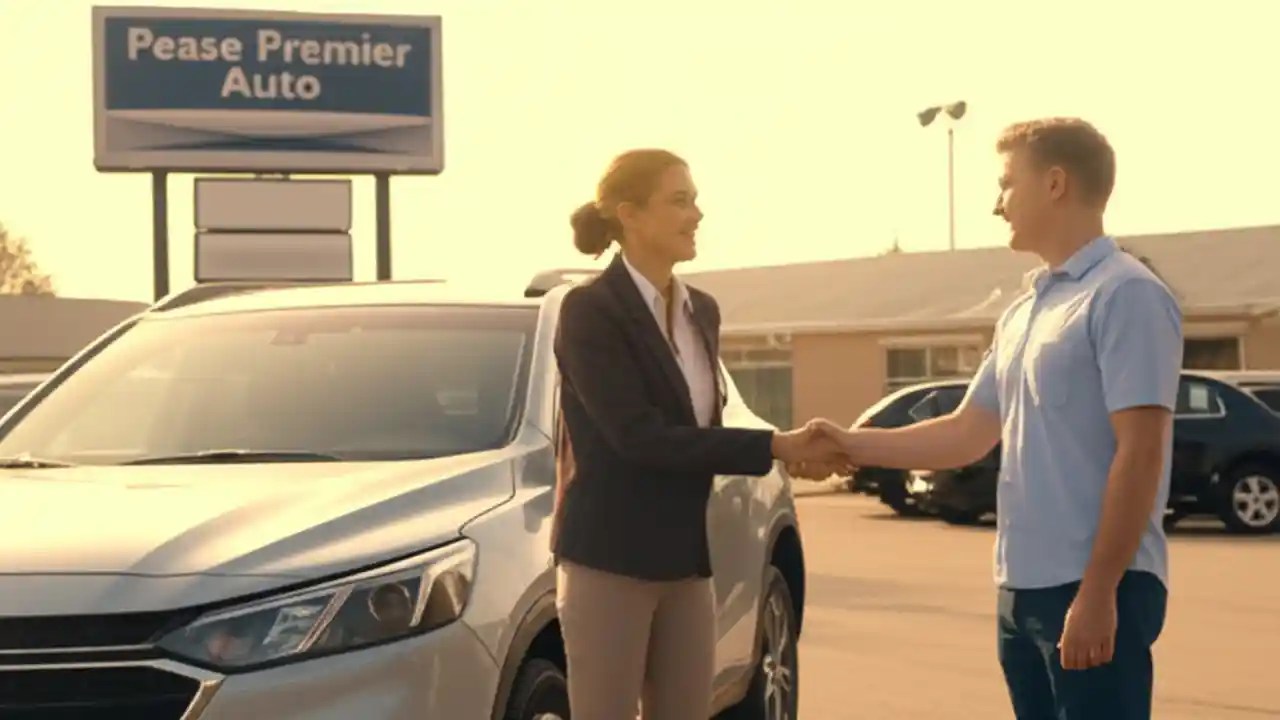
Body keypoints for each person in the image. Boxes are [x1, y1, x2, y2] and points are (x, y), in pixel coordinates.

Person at [802, 118, 1182, 720]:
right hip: (1022, 587)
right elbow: (966, 432)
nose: (996, 203)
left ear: (1055, 184)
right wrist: (850, 443)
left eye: (1007, 183)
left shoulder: (1125, 295)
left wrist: (1099, 591)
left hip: (1095, 587)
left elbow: (1141, 450)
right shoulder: (1027, 311)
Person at [552, 148, 846, 720]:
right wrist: (775, 447)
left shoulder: (701, 311)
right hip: (608, 559)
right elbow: (638, 436)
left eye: (695, 200)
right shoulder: (589, 311)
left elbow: (705, 426)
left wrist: (790, 450)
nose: (697, 214)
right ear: (628, 214)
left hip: (686, 559)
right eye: (679, 200)